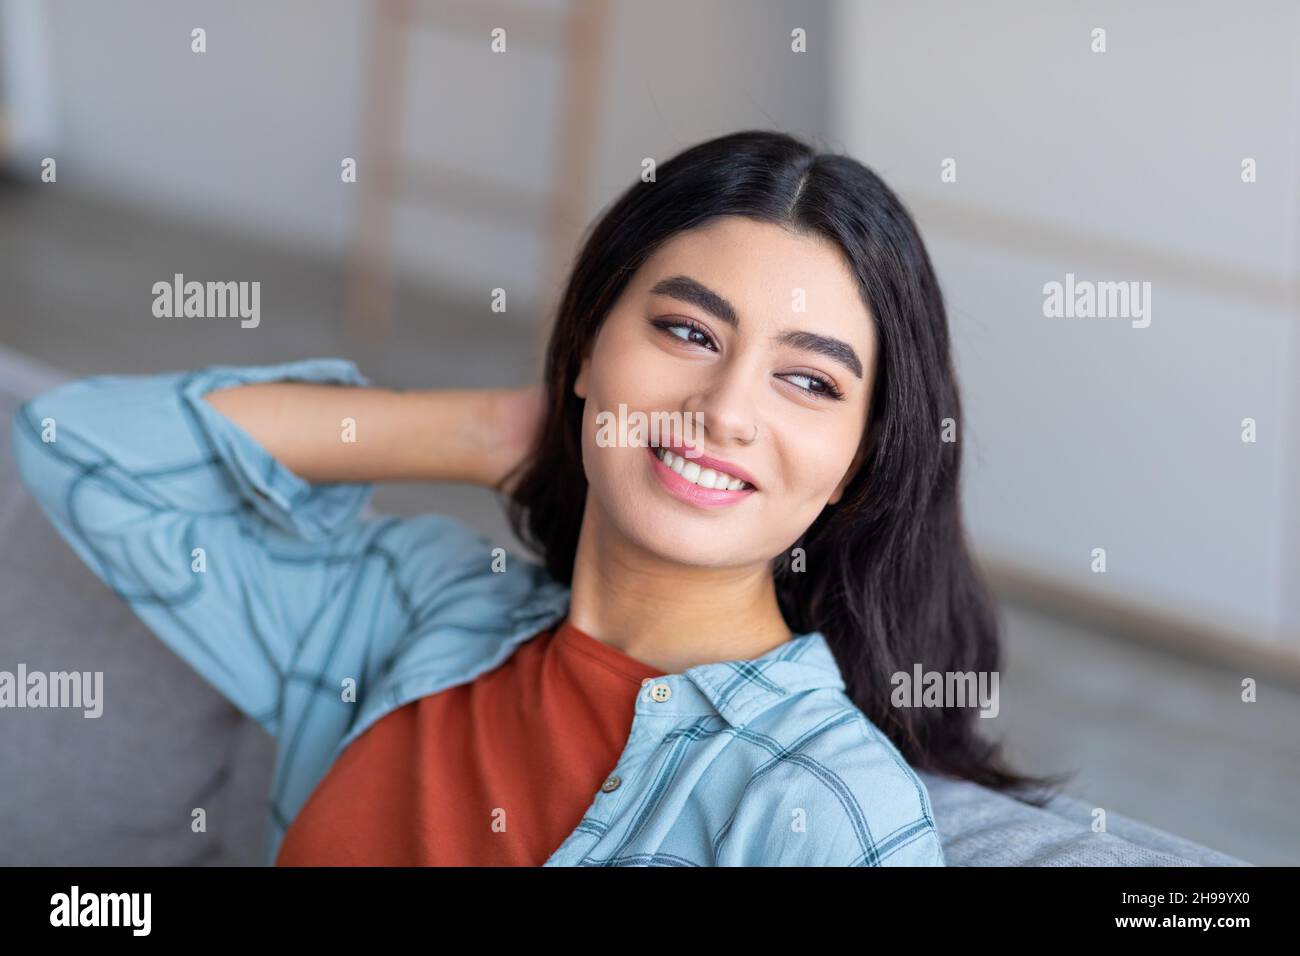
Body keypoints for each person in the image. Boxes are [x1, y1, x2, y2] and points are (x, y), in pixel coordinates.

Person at [11, 129, 1063, 867]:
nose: (726, 408)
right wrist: (484, 431)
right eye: (687, 332)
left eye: (808, 380)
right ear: (586, 349)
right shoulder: (411, 606)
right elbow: (80, 445)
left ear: (857, 464)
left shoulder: (815, 806)